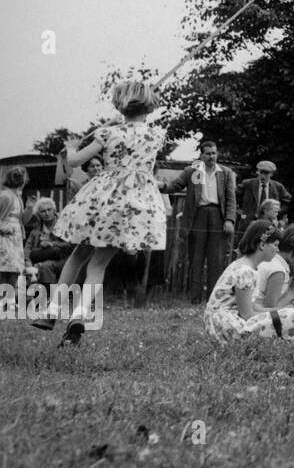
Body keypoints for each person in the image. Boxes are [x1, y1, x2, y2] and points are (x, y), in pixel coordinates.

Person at [40, 81, 170, 344]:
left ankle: (52, 309)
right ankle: (78, 314)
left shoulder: (107, 134)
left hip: (102, 201)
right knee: (99, 264)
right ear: (148, 106)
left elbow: (74, 163)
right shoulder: (157, 136)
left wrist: (72, 146)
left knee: (78, 255)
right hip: (134, 205)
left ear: (120, 105)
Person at [205, 221, 294, 342]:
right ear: (262, 245)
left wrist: (281, 311)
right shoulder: (245, 271)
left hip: (224, 323)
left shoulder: (245, 266)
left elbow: (253, 306)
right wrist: (282, 311)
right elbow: (247, 315)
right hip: (228, 325)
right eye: (275, 245)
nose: (278, 250)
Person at [161, 140, 237, 298]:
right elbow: (176, 185)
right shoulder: (193, 171)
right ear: (201, 155)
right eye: (208, 154)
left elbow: (231, 198)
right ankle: (195, 297)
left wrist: (229, 220)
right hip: (197, 216)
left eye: (214, 153)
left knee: (216, 258)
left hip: (217, 216)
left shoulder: (225, 172)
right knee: (196, 257)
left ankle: (212, 297)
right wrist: (161, 187)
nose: (211, 157)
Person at [237, 161, 291, 237]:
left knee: (265, 246)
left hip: (269, 224)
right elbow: (233, 197)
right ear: (257, 172)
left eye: (266, 173)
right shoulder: (247, 184)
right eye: (261, 172)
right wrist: (239, 211)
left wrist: (277, 211)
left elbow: (289, 201)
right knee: (245, 245)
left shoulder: (277, 187)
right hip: (248, 223)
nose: (263, 176)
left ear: (271, 174)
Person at [0, 167, 27, 291]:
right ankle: (3, 299)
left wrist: (30, 209)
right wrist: (5, 228)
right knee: (4, 268)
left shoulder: (17, 197)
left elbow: (21, 220)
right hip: (5, 238)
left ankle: (8, 299)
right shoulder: (5, 196)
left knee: (15, 268)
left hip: (15, 238)